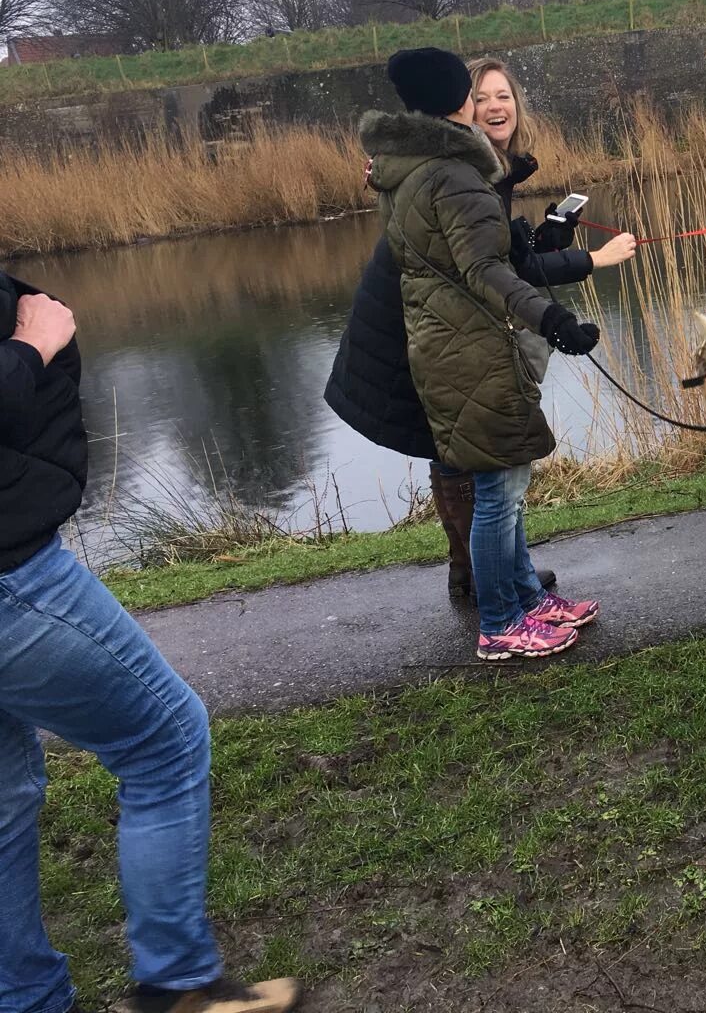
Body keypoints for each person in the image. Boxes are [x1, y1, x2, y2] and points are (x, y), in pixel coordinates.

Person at [0, 271, 300, 1013]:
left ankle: (28, 1001)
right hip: (10, 575)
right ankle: (180, 987)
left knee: (2, 799)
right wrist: (30, 348)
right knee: (164, 739)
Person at [323, 58, 635, 610]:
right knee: (473, 467)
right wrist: (585, 267)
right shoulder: (452, 171)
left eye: (504, 96)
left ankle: (503, 585)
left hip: (445, 325)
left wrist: (546, 239)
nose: (494, 106)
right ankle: (486, 591)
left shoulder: (461, 166)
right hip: (421, 335)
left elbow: (496, 257)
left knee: (477, 467)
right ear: (460, 104)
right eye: (480, 95)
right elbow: (488, 271)